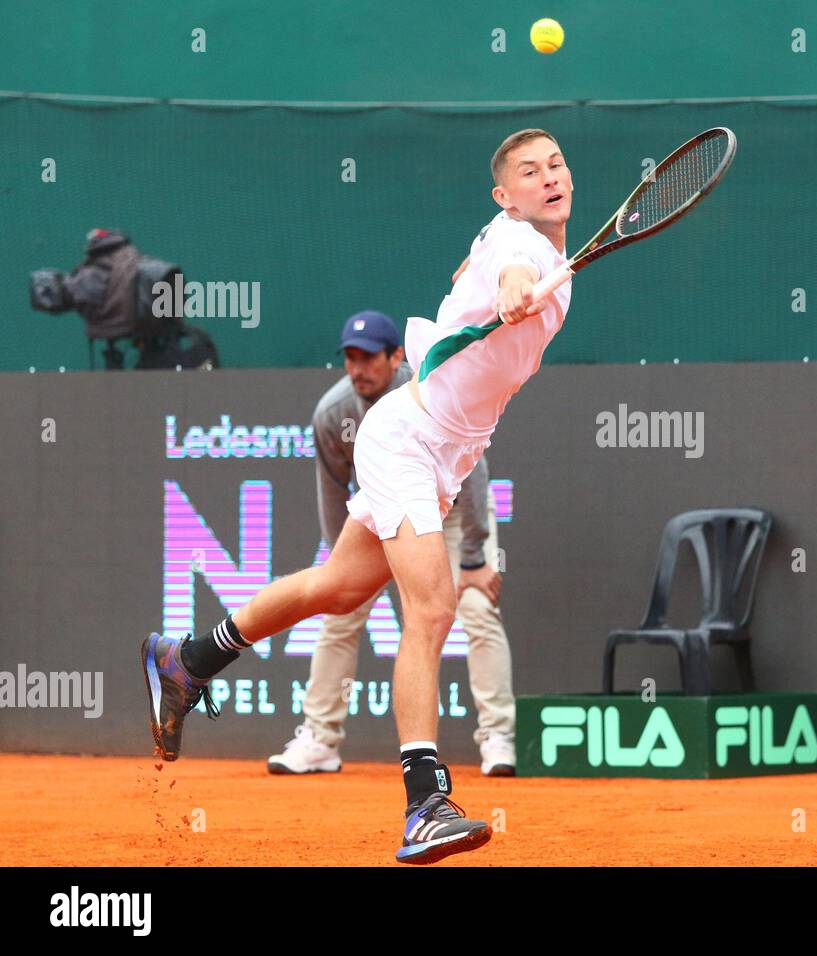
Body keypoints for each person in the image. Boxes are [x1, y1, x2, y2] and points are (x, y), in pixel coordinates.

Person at [142, 127, 573, 864]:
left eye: (556, 165)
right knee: (433, 610)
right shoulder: (522, 248)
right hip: (409, 438)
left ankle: (186, 660)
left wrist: (498, 290)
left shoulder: (550, 256)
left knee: (339, 590)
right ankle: (425, 803)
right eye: (529, 172)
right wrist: (508, 290)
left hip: (435, 448)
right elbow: (505, 267)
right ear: (505, 196)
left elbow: (482, 268)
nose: (549, 178)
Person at [265, 310, 517, 779]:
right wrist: (340, 566)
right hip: (387, 510)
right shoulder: (333, 413)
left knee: (477, 609)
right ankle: (320, 738)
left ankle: (497, 738)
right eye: (349, 358)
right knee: (339, 613)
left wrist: (476, 557)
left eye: (368, 358)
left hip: (454, 506)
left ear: (395, 356)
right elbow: (333, 494)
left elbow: (476, 471)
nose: (358, 368)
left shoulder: (432, 384)